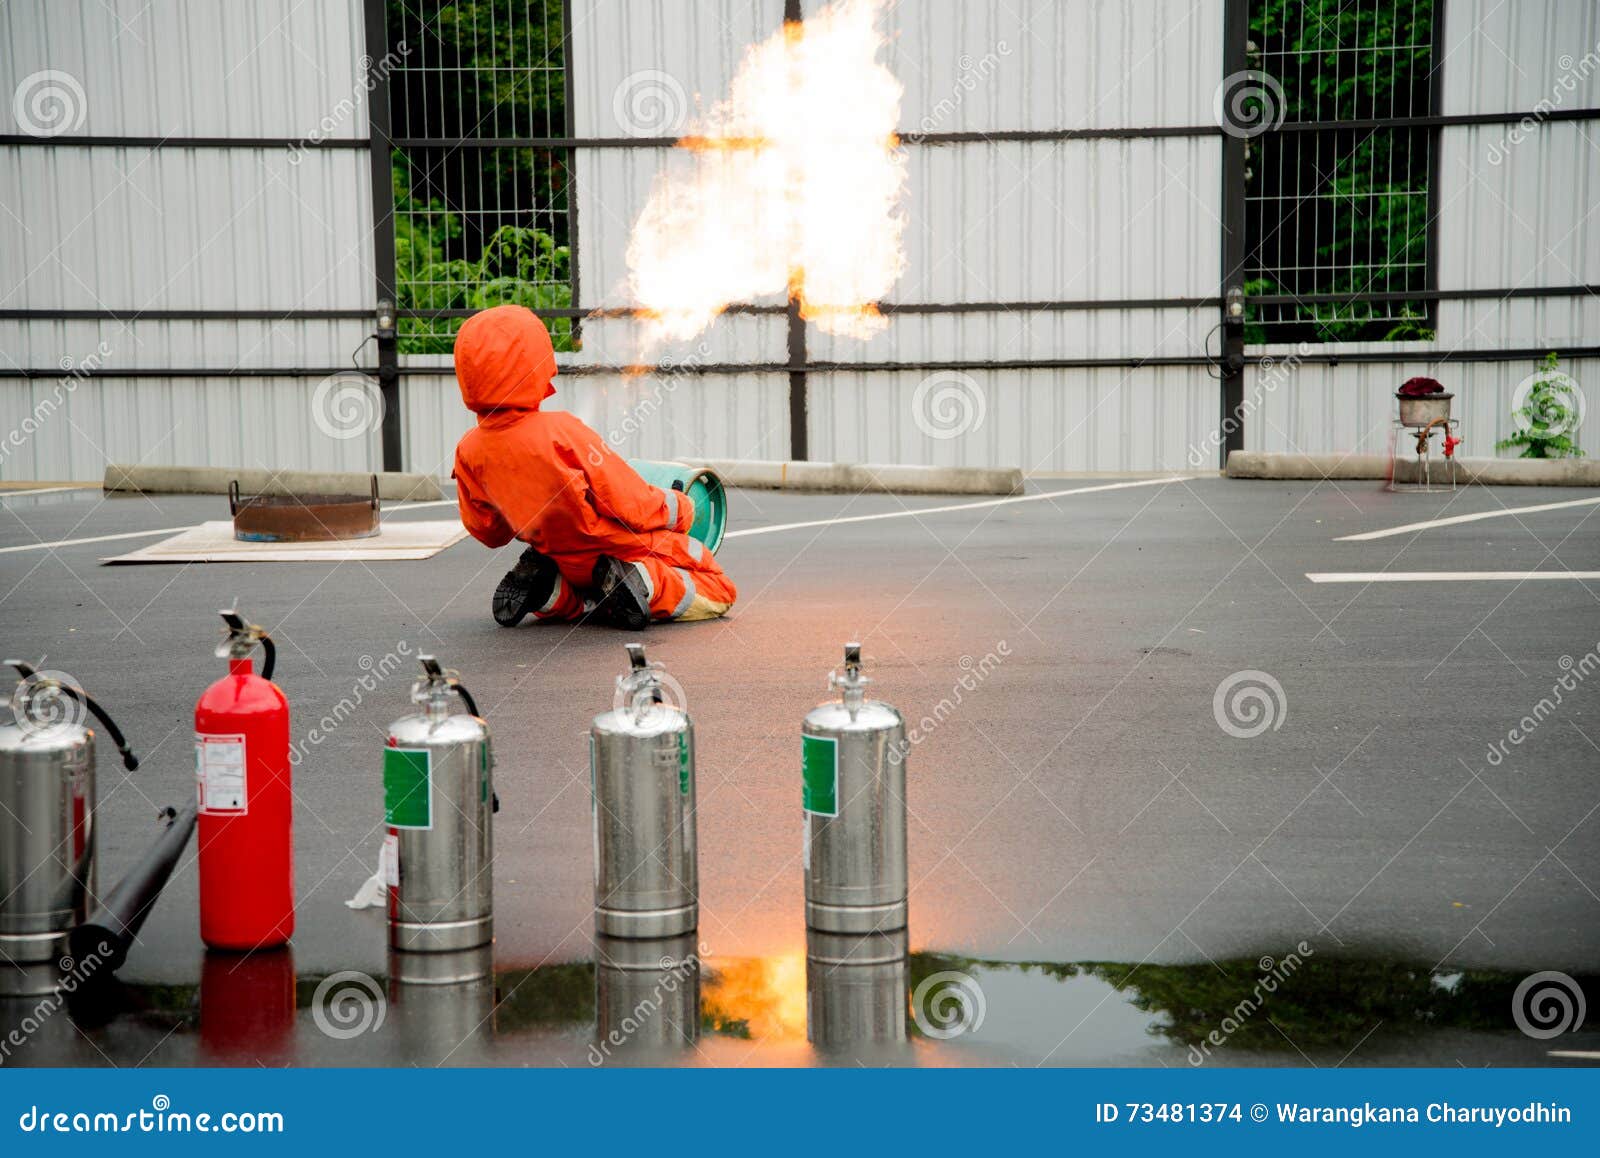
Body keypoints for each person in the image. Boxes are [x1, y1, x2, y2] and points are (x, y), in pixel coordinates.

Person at [449, 305, 737, 630]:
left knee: (584, 600)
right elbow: (629, 503)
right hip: (617, 548)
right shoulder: (562, 433)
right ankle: (644, 582)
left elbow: (489, 531)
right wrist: (682, 509)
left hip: (557, 555)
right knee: (718, 586)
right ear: (535, 363)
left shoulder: (469, 450)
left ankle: (551, 593)